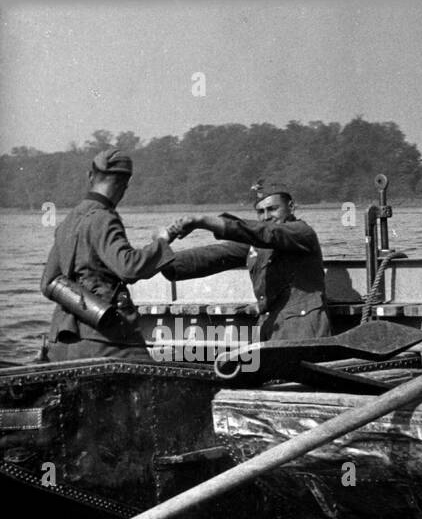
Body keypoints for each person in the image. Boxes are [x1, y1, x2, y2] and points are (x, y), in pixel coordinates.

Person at [39, 148, 181, 361]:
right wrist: (162, 241)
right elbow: (128, 267)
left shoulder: (67, 222)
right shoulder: (104, 218)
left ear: (90, 176)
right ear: (124, 186)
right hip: (108, 339)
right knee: (155, 382)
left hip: (62, 340)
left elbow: (48, 282)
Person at [162, 187, 329, 341]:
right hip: (269, 332)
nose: (266, 217)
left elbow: (266, 233)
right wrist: (157, 256)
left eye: (272, 209)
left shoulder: (301, 233)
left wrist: (202, 221)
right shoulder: (257, 245)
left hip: (304, 334)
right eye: (260, 212)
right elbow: (212, 256)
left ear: (291, 207)